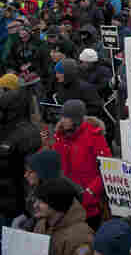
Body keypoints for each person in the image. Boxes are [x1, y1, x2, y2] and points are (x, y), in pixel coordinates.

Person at [52, 99, 110, 231]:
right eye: (62, 117)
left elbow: (106, 169)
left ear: (76, 120)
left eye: (67, 118)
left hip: (89, 204)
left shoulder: (94, 136)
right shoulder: (60, 137)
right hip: (67, 203)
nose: (62, 121)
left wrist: (89, 192)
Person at [0, 88, 41, 228]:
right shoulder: (6, 128)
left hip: (16, 205)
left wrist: (30, 211)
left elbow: (32, 176)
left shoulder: (26, 135)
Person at [33, 178, 93, 255]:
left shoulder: (80, 237)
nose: (35, 205)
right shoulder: (41, 225)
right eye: (36, 200)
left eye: (41, 202)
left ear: (56, 204)